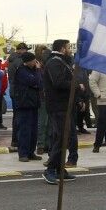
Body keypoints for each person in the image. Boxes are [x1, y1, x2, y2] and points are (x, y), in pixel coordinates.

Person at [42, 39, 79, 184]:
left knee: (66, 138)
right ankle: (50, 169)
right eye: (68, 47)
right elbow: (58, 83)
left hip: (65, 106)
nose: (70, 49)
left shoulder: (62, 62)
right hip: (58, 107)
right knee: (61, 138)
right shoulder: (54, 63)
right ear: (63, 48)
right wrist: (75, 84)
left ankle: (59, 169)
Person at [12, 52, 43, 162]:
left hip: (34, 103)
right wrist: (38, 72)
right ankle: (23, 153)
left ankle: (31, 152)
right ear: (28, 61)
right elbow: (34, 81)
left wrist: (37, 75)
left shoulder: (33, 70)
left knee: (33, 130)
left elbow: (40, 83)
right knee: (24, 130)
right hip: (24, 104)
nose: (36, 62)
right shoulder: (21, 71)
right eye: (34, 60)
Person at [7, 43, 30, 146]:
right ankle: (17, 140)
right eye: (26, 50)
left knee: (16, 116)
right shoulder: (19, 61)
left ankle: (15, 140)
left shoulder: (12, 60)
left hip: (14, 91)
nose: (27, 52)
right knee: (19, 117)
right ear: (20, 50)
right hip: (19, 92)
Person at [75, 66, 93, 134]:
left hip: (85, 93)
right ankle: (76, 128)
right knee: (78, 112)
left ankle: (80, 127)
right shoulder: (76, 67)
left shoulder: (84, 68)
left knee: (83, 112)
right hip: (79, 92)